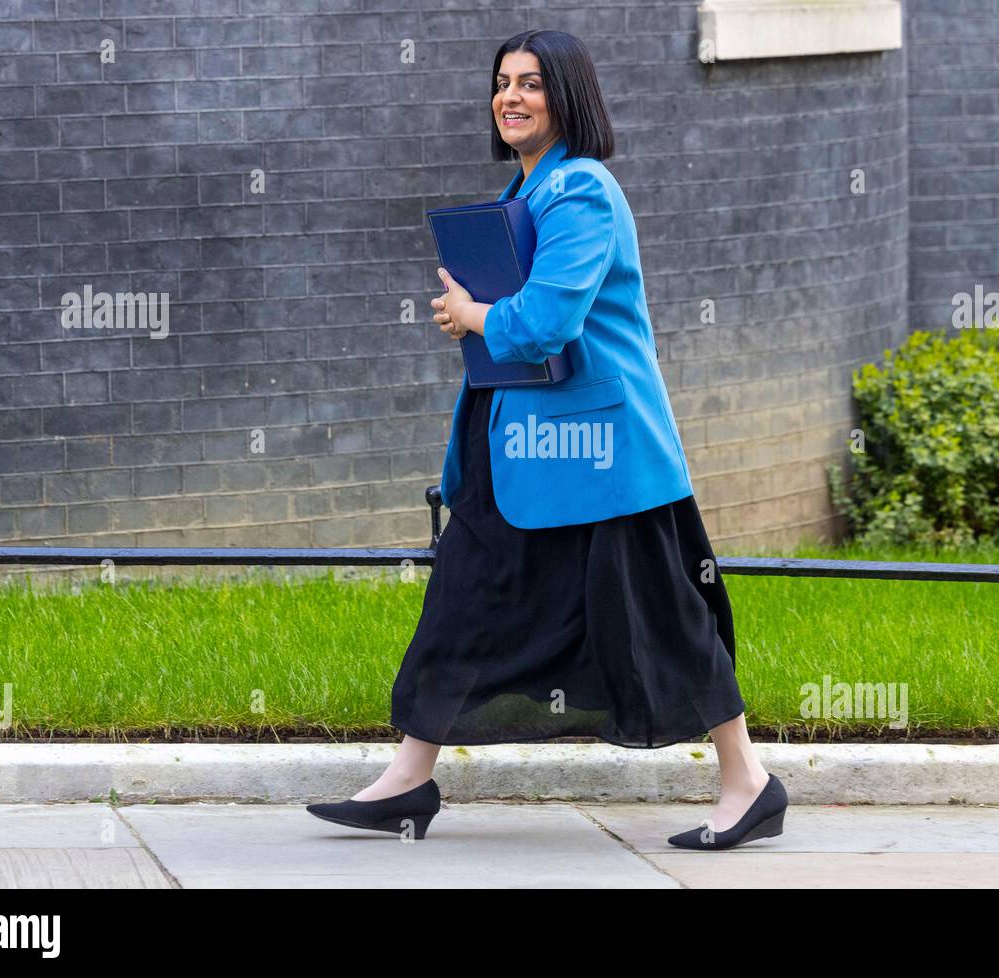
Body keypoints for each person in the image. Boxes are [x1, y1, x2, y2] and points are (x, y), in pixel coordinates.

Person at [307, 29, 788, 850]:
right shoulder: (527, 193)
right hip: (522, 449)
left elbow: (547, 321)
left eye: (531, 83)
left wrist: (474, 315)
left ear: (567, 98)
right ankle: (408, 780)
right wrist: (477, 317)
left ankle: (749, 783)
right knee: (463, 597)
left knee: (665, 616)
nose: (512, 96)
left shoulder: (582, 191)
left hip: (602, 458)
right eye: (503, 82)